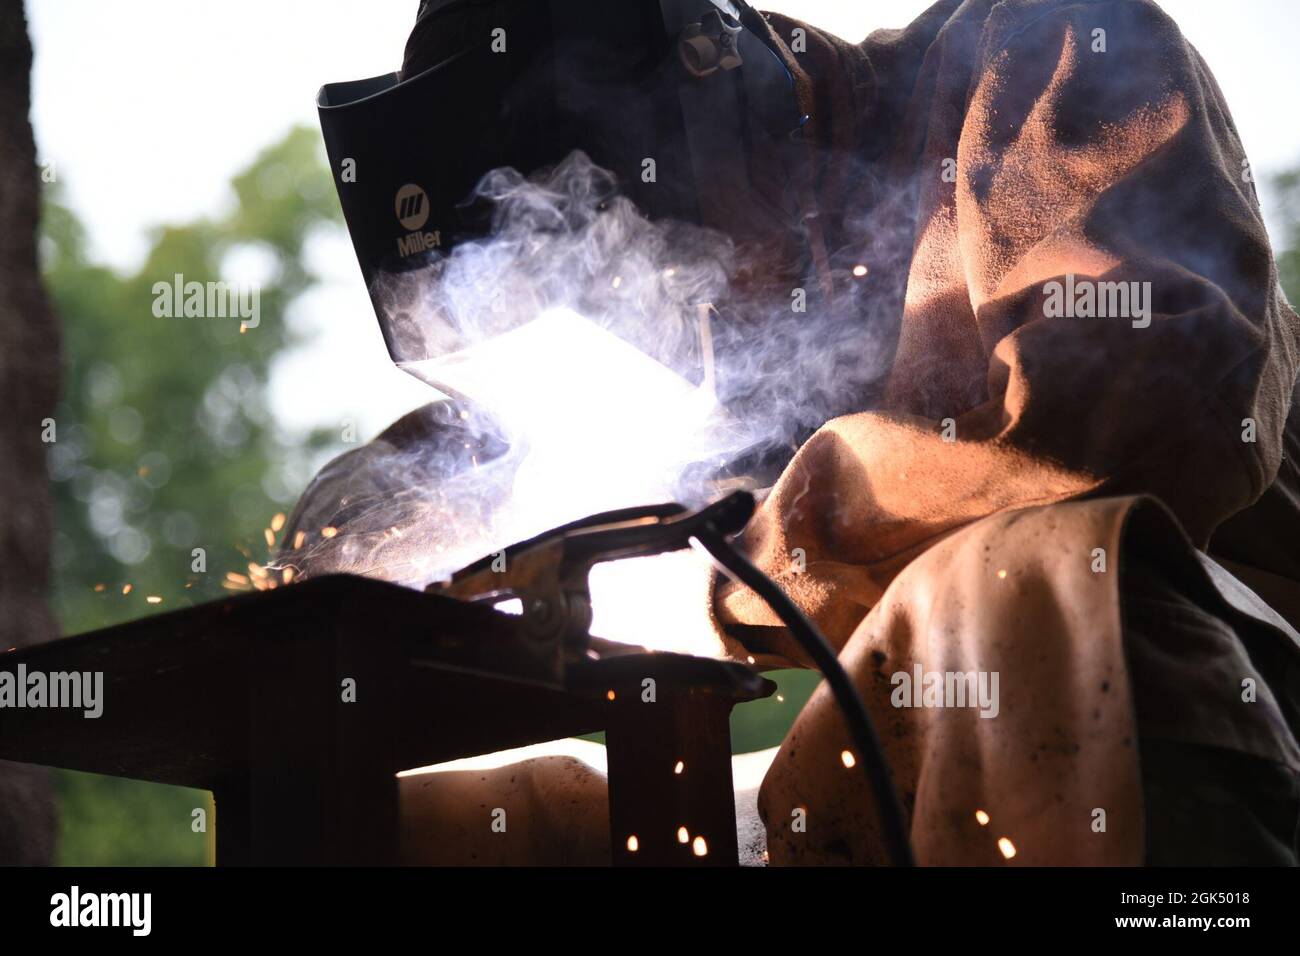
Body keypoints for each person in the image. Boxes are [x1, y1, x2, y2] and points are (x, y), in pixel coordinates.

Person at [286, 0, 1300, 864]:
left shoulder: (1039, 56)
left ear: (720, 116)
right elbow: (395, 494)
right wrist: (384, 550)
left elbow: (1116, 424)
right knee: (439, 825)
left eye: (619, 265)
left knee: (1033, 573)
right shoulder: (699, 354)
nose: (646, 312)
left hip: (1228, 693)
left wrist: (724, 575)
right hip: (965, 737)